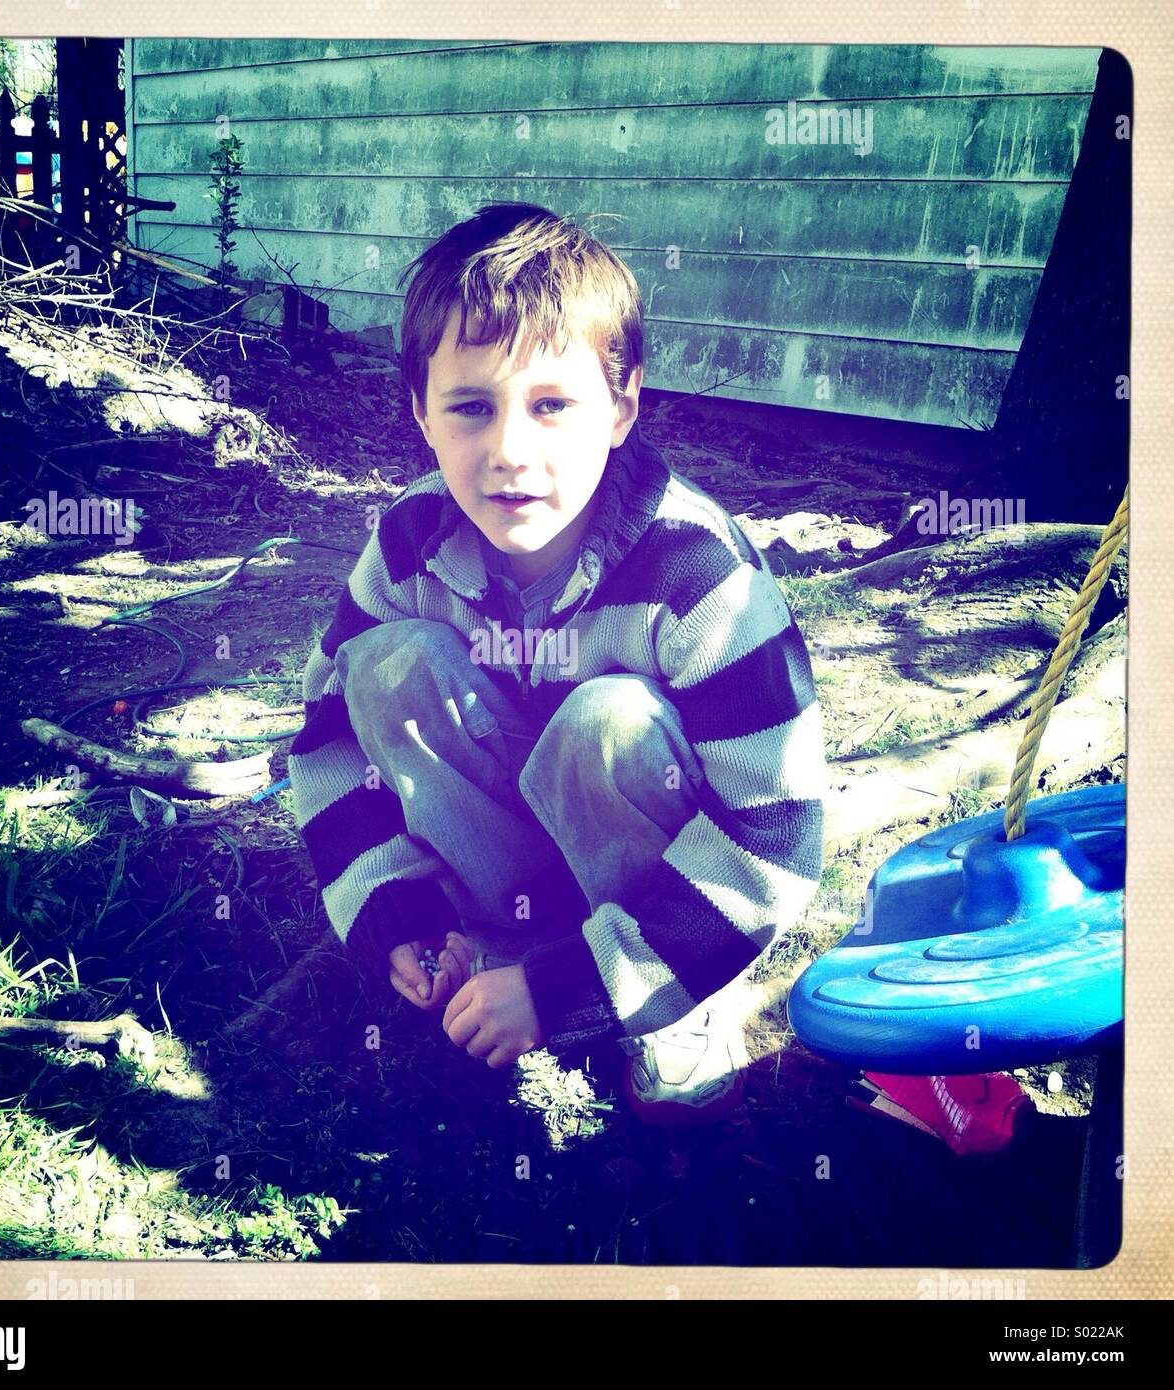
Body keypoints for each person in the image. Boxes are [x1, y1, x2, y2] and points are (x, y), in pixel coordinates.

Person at [287, 202, 826, 1123]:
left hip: (655, 886)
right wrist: (392, 907)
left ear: (621, 407)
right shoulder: (408, 541)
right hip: (499, 860)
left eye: (550, 406)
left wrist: (580, 984)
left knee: (608, 722)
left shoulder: (698, 572)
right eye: (470, 407)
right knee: (382, 664)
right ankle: (487, 948)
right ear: (421, 412)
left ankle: (664, 1006)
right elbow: (330, 743)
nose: (508, 451)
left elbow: (772, 837)